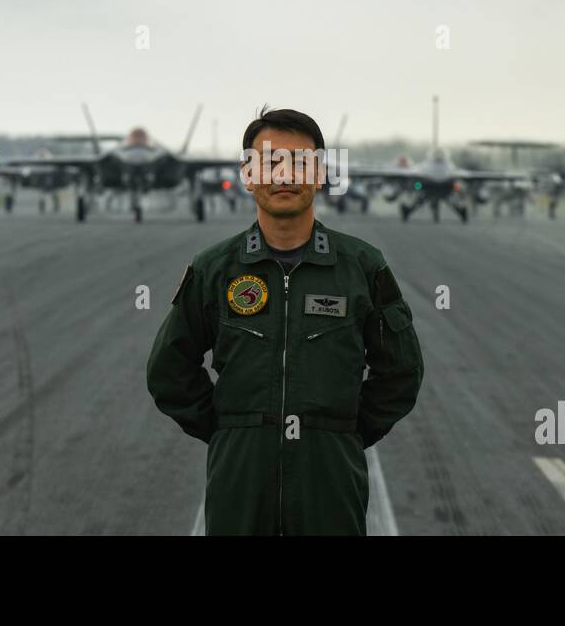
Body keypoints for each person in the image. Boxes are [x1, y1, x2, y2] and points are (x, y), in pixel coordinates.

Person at [147, 107, 424, 534]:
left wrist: (342, 432)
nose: (284, 175)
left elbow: (401, 371)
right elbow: (169, 368)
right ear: (248, 173)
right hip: (239, 478)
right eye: (270, 161)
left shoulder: (362, 267)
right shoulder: (214, 270)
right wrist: (231, 431)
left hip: (331, 479)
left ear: (320, 174)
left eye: (299, 162)